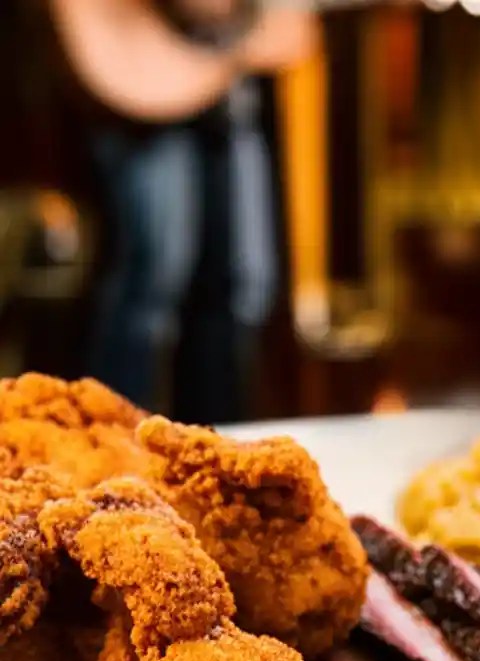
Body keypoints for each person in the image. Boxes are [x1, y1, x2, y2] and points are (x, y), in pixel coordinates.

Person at [77, 0, 317, 423]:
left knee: (241, 288)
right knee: (151, 287)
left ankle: (212, 456)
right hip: (141, 81)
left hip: (227, 98)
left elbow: (287, 34)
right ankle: (107, 454)